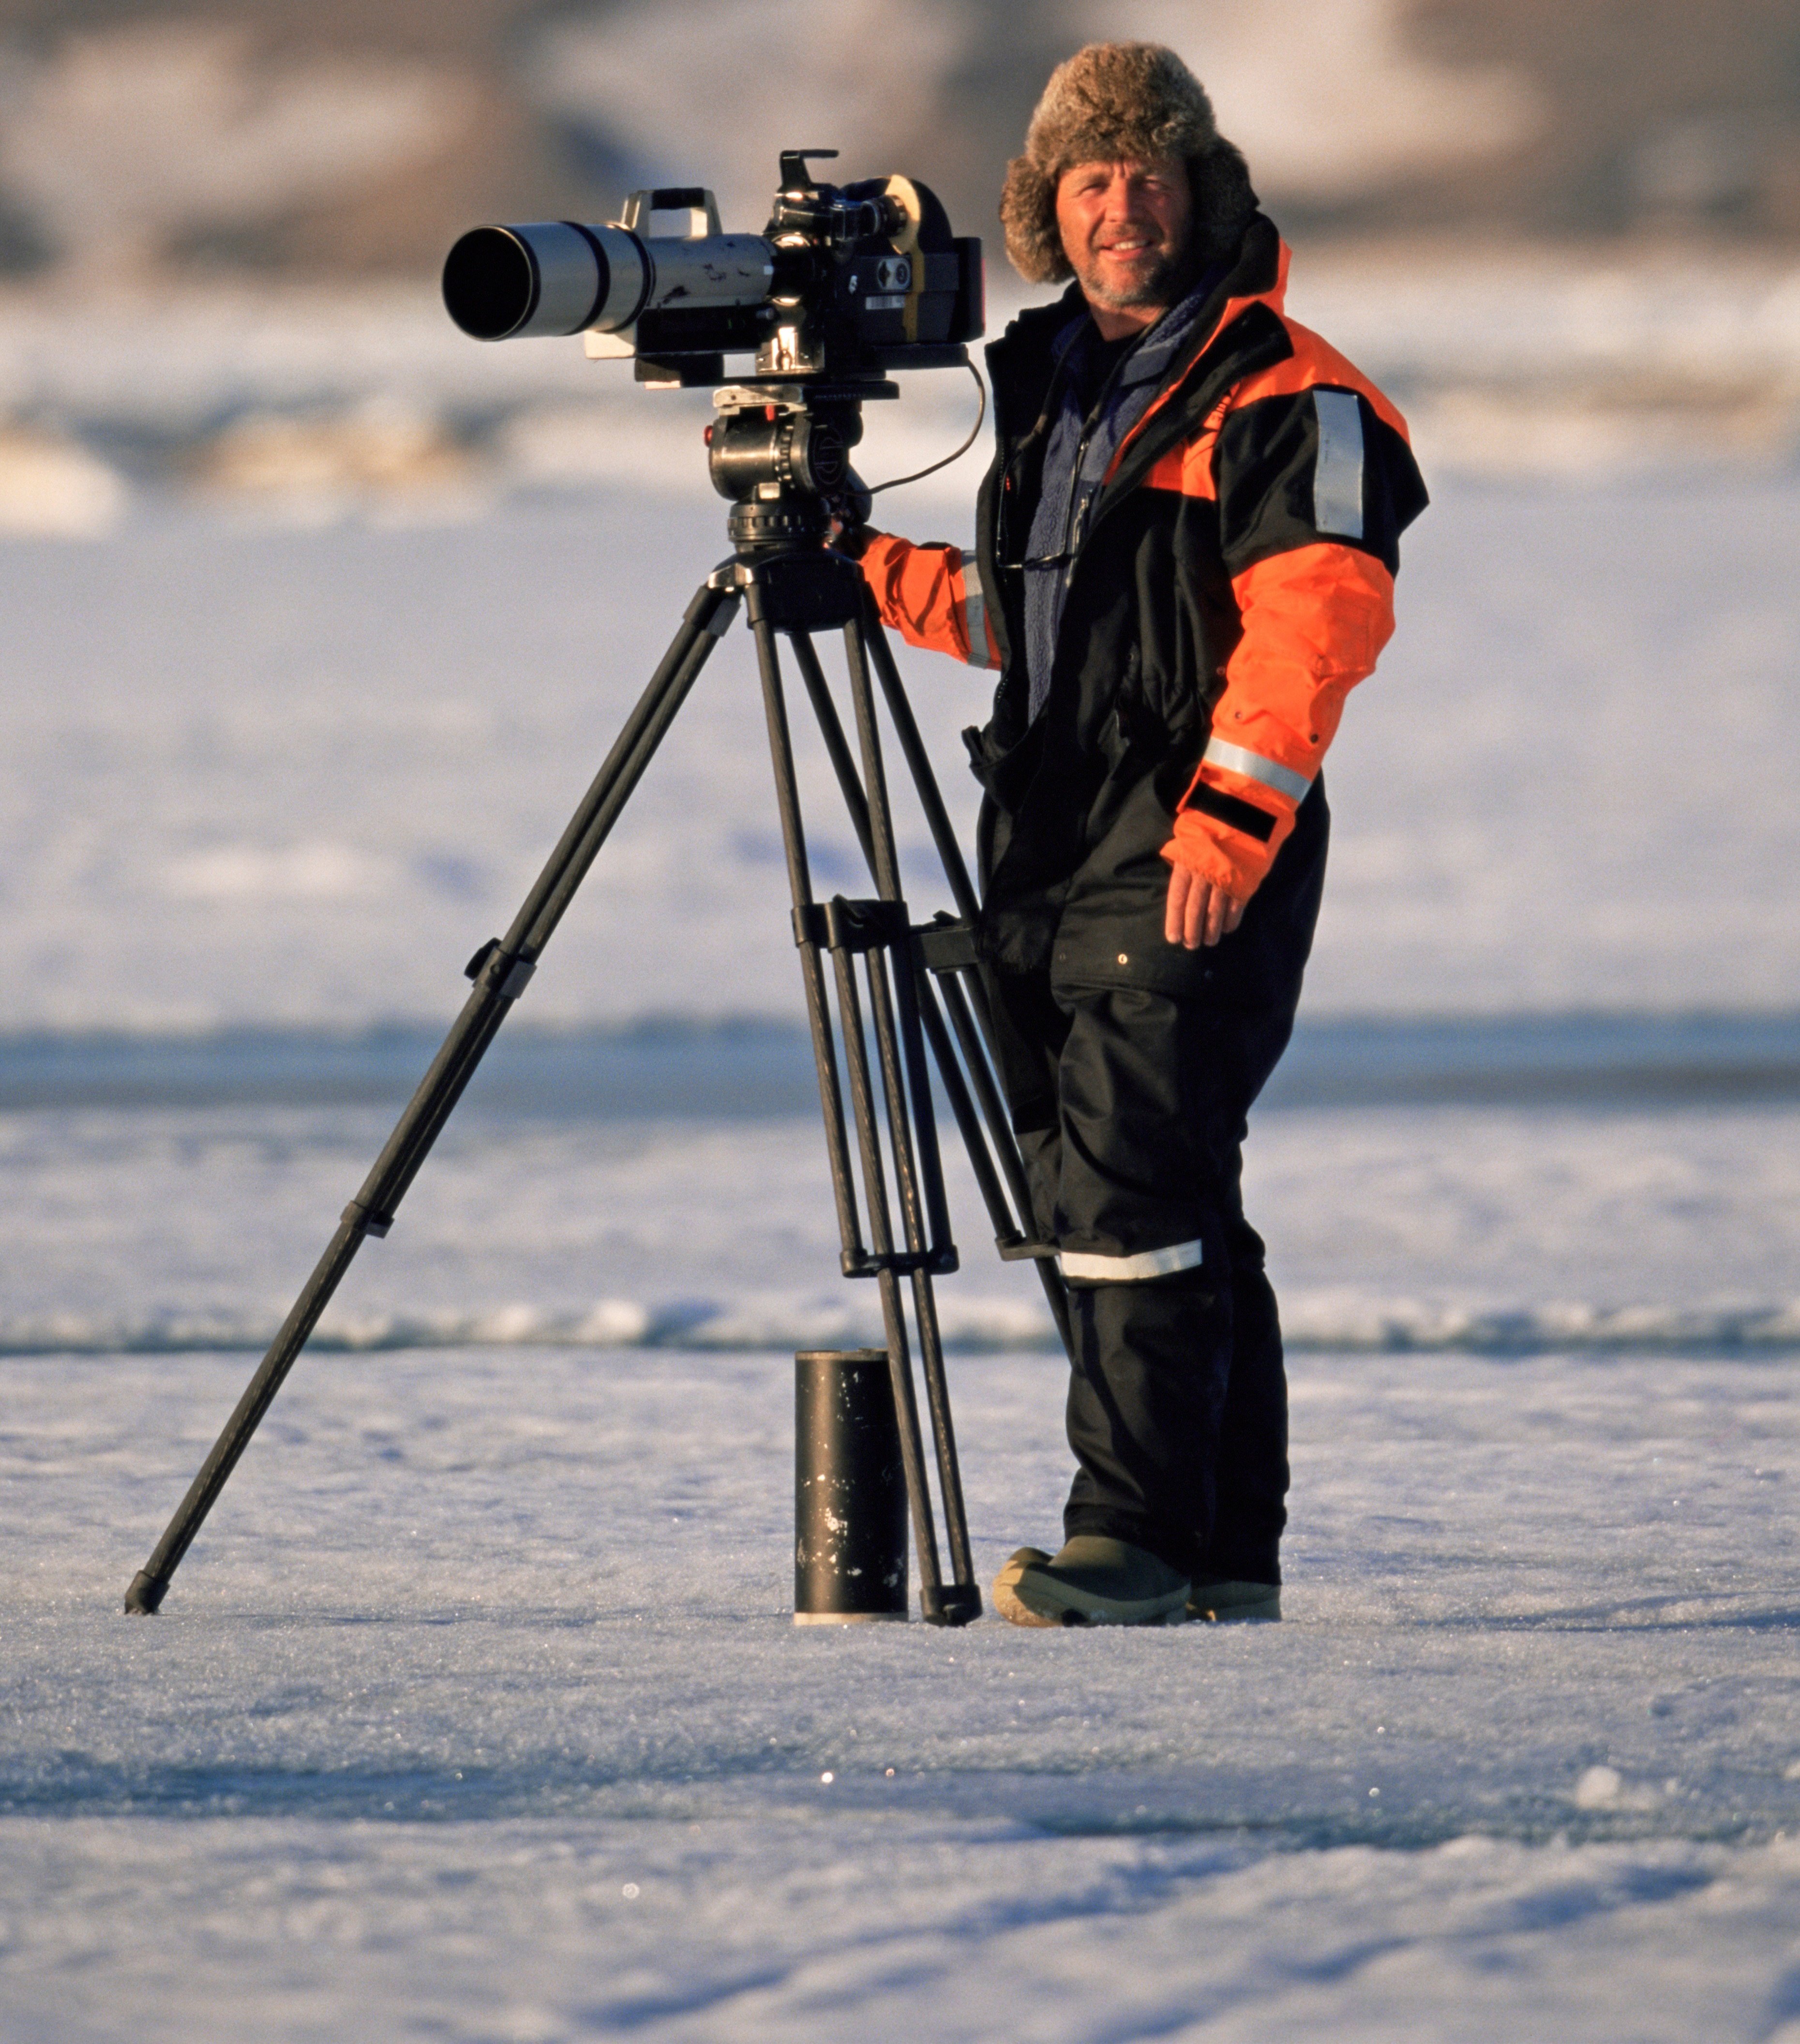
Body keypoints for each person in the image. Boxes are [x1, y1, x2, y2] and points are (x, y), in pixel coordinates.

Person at [842, 41, 1428, 1626]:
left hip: (1187, 844)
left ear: (1204, 188)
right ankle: (1227, 1555)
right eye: (1091, 178)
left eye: (1152, 172)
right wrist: (868, 569)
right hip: (1050, 835)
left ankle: (1136, 1536)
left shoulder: (1284, 388)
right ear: (1047, 205)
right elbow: (1046, 625)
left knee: (1125, 1194)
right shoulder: (1056, 388)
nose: (1125, 204)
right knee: (1162, 1191)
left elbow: (1315, 621)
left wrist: (1229, 824)